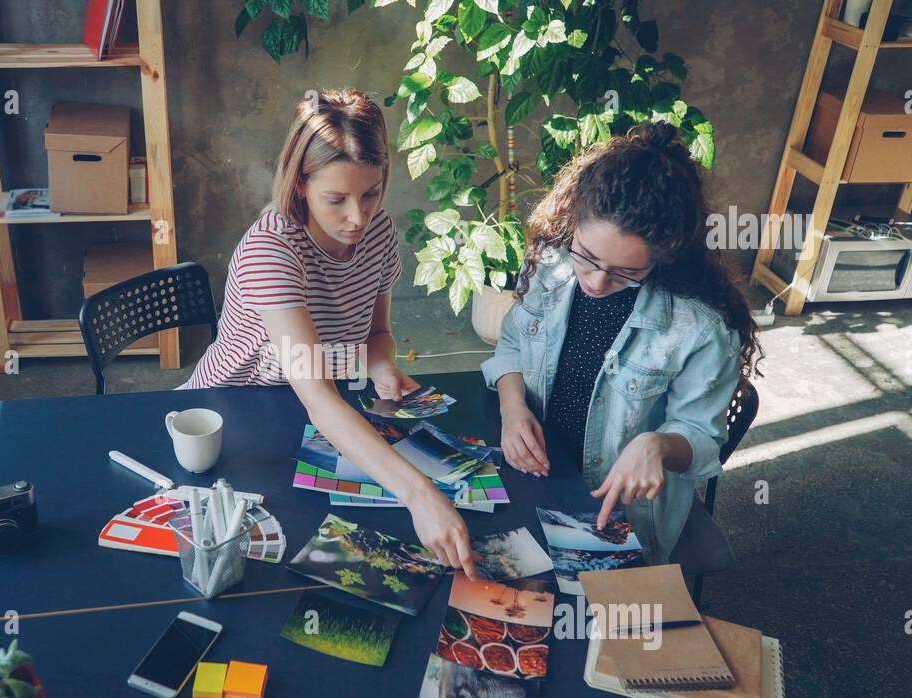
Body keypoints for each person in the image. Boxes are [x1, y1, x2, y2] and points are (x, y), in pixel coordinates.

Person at [183, 89, 477, 578]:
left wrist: (381, 362)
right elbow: (318, 399)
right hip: (235, 408)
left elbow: (377, 333)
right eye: (335, 199)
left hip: (316, 407)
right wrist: (420, 493)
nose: (357, 217)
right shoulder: (271, 252)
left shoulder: (378, 232)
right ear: (300, 184)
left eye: (371, 193)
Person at [481, 122, 762, 564]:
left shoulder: (700, 329)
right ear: (573, 221)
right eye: (587, 257)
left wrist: (657, 446)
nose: (595, 281)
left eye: (626, 272)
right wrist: (512, 408)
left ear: (666, 254)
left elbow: (704, 438)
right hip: (537, 470)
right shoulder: (552, 265)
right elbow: (513, 344)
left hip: (617, 512)